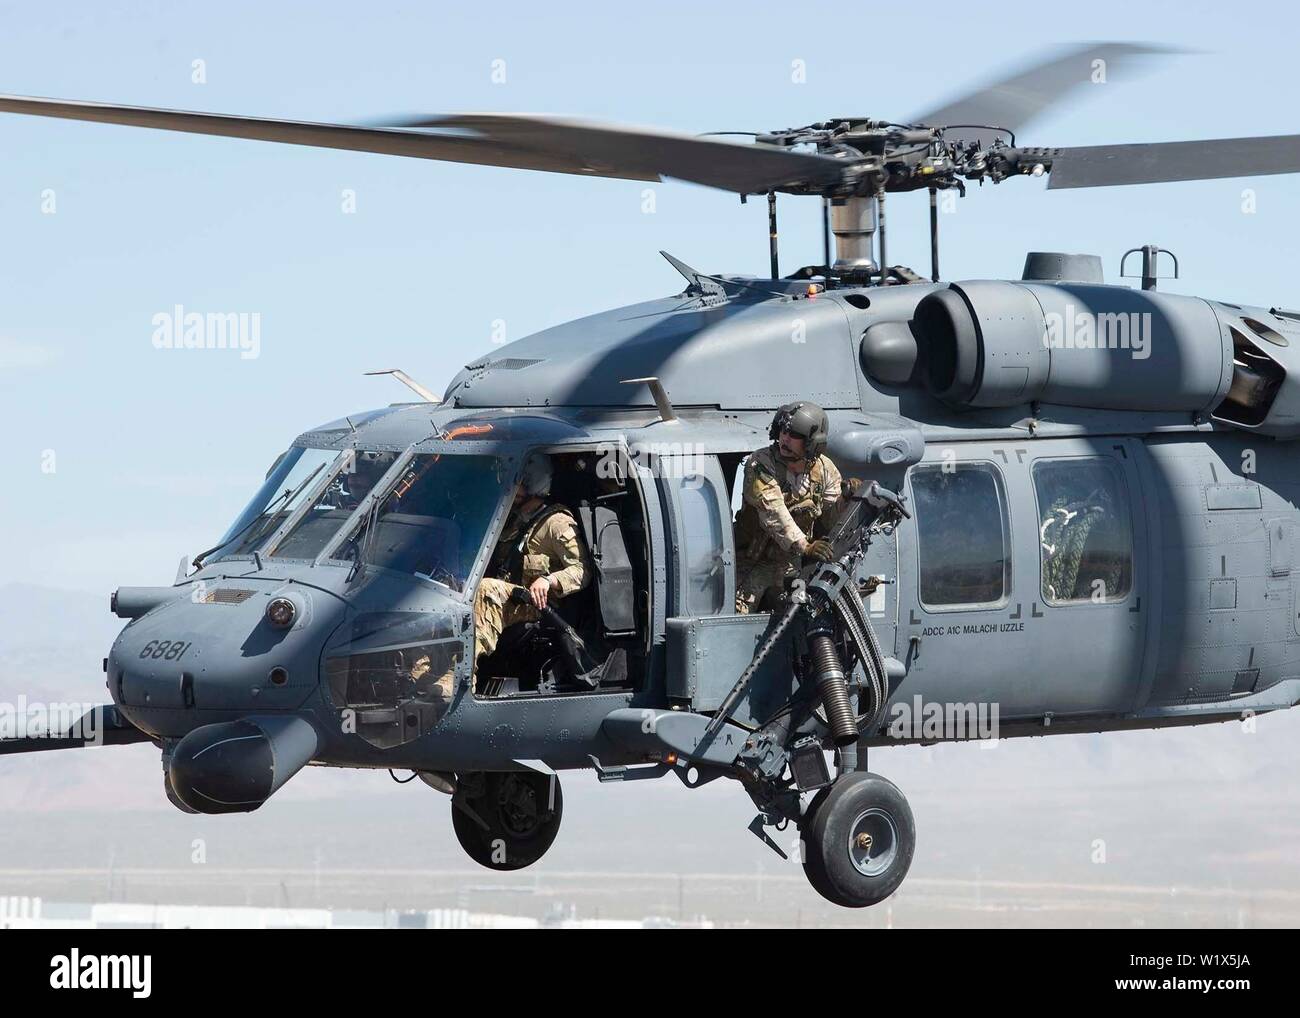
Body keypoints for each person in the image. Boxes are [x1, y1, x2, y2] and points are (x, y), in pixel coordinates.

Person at [422, 453, 589, 699]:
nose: (510, 489)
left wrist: (549, 580)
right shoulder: (510, 519)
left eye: (517, 483)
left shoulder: (556, 522)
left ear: (534, 483)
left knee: (486, 590)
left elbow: (582, 570)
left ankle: (458, 677)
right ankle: (425, 669)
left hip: (537, 606)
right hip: (510, 598)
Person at [733, 402, 844, 614]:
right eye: (783, 431)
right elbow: (772, 510)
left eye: (794, 434)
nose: (785, 438)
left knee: (800, 622)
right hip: (751, 565)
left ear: (812, 442)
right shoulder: (760, 463)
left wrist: (846, 500)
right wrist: (805, 546)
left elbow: (832, 519)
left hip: (792, 569)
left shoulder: (824, 470)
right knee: (739, 620)